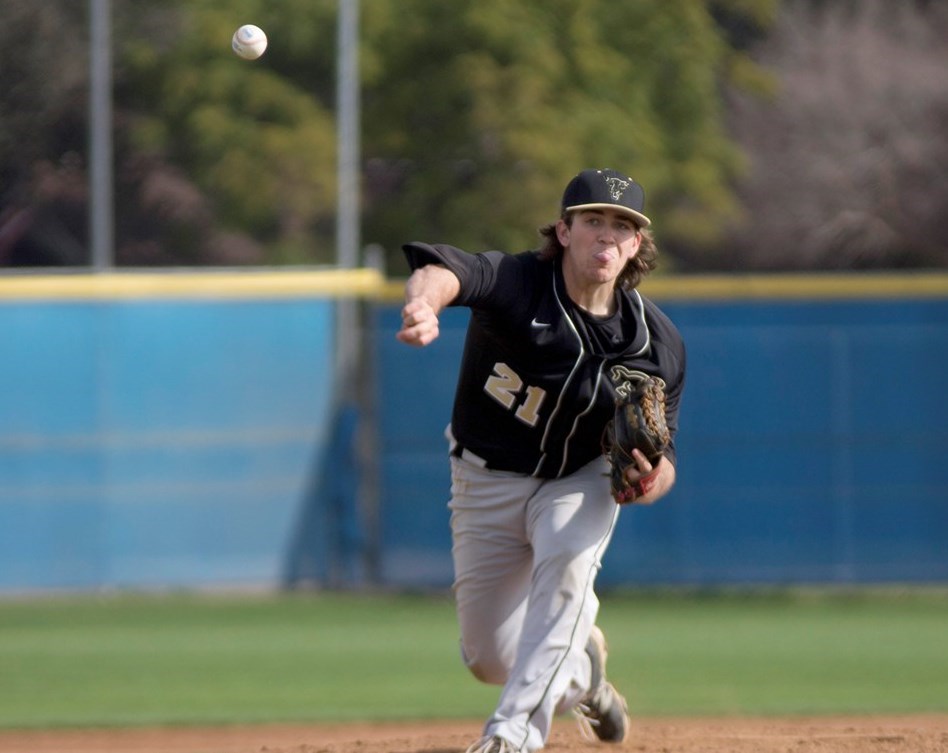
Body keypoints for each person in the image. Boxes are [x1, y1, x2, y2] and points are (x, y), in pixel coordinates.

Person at [396, 168, 686, 753]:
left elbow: (666, 455)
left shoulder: (656, 343)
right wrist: (424, 305)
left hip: (579, 481)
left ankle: (510, 736)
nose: (607, 236)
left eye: (622, 226)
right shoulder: (517, 282)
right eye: (594, 221)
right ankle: (583, 673)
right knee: (490, 658)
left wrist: (653, 479)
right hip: (486, 476)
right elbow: (444, 271)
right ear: (564, 229)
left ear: (635, 245)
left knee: (567, 575)